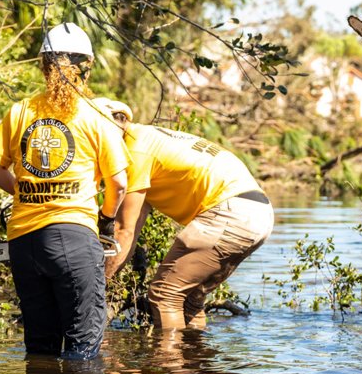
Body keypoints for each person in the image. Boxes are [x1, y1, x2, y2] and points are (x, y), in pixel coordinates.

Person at [0, 23, 128, 359]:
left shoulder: (20, 111)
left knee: (40, 348)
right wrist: (106, 219)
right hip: (74, 239)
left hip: (24, 243)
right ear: (86, 68)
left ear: (43, 65)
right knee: (83, 348)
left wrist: (24, 191)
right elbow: (119, 183)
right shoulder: (95, 116)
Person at [96, 98, 274, 330]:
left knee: (164, 294)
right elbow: (132, 229)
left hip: (231, 212)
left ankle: (172, 363)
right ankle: (194, 363)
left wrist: (98, 287)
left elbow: (123, 231)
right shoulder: (148, 138)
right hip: (259, 215)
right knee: (190, 298)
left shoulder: (133, 151)